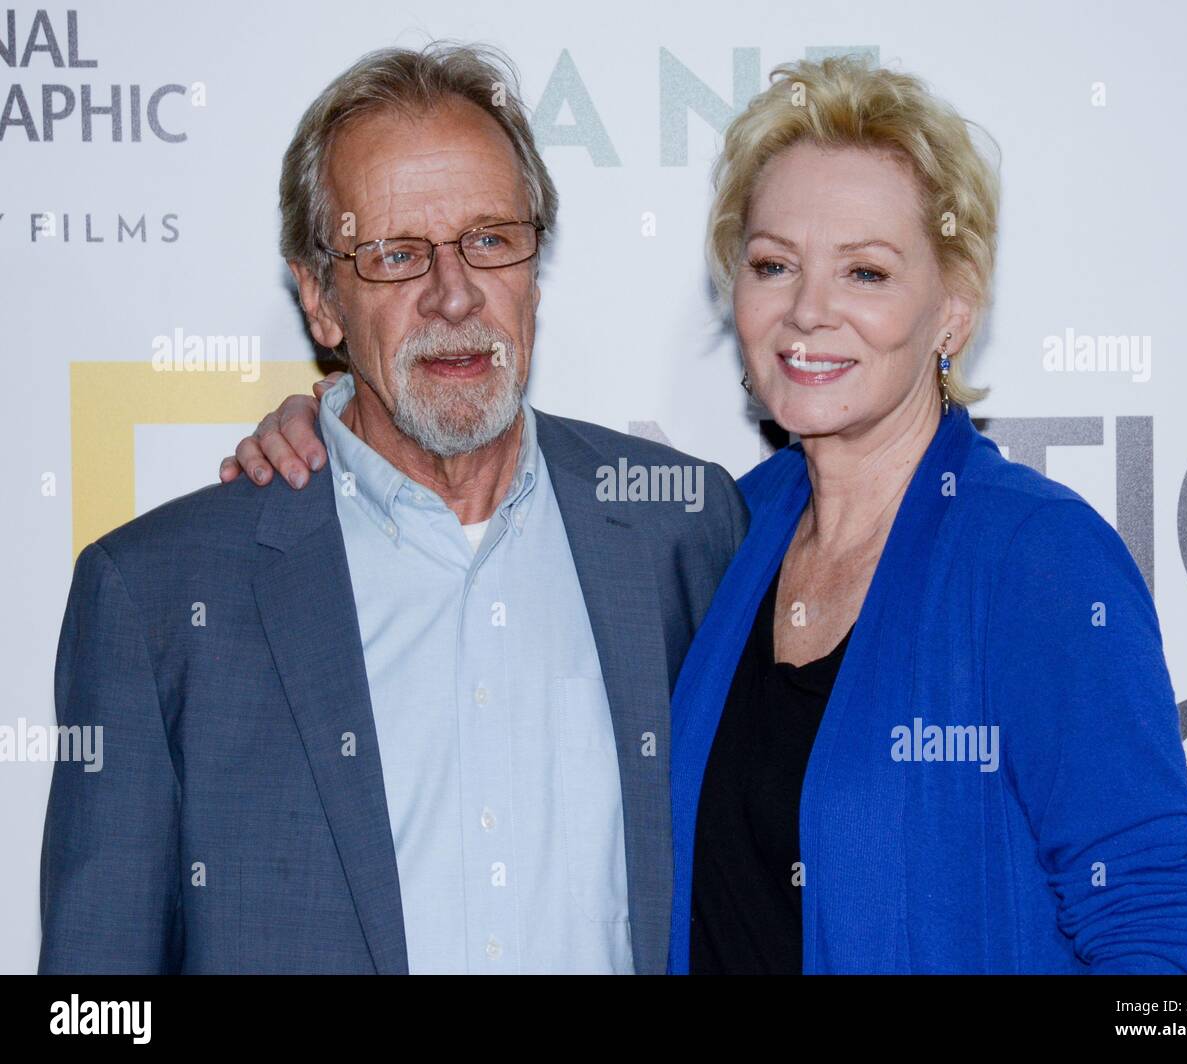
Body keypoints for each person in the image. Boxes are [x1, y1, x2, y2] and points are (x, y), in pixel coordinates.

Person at [223, 56, 1187, 974]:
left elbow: (1154, 934)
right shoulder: (718, 530)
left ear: (953, 308)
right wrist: (341, 418)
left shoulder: (1034, 559)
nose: (808, 311)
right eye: (773, 263)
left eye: (867, 271)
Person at [39, 43, 746, 975]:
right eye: (396, 255)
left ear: (535, 267)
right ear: (320, 299)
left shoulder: (684, 530)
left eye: (490, 239)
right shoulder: (159, 596)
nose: (454, 294)